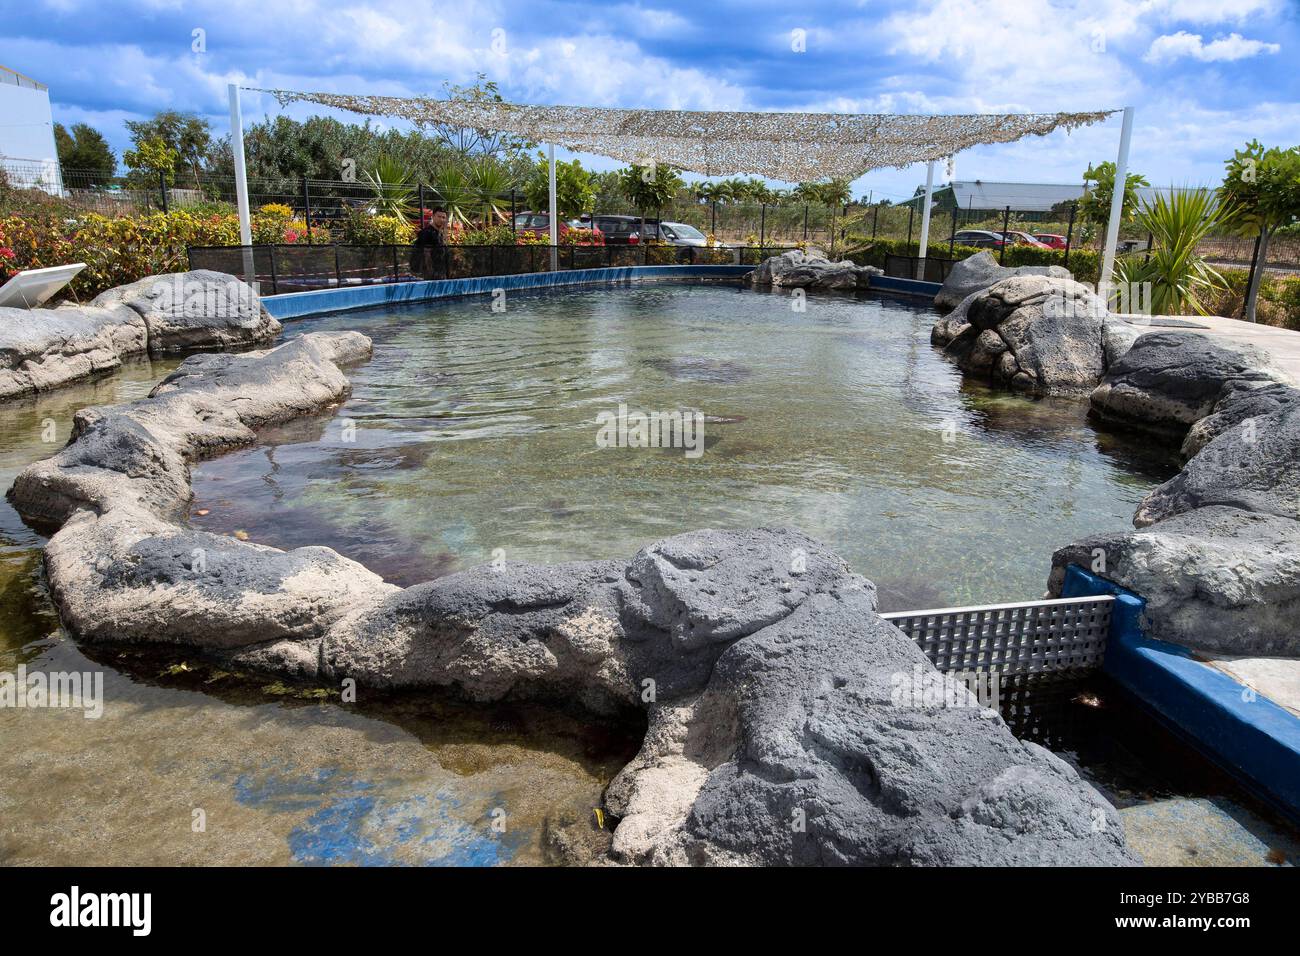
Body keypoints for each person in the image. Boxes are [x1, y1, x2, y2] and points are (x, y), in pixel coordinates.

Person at [410, 207, 449, 279]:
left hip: (439, 272)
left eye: (443, 217)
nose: (441, 219)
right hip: (429, 275)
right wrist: (430, 274)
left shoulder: (440, 234)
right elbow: (425, 254)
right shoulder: (426, 233)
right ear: (433, 217)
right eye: (439, 216)